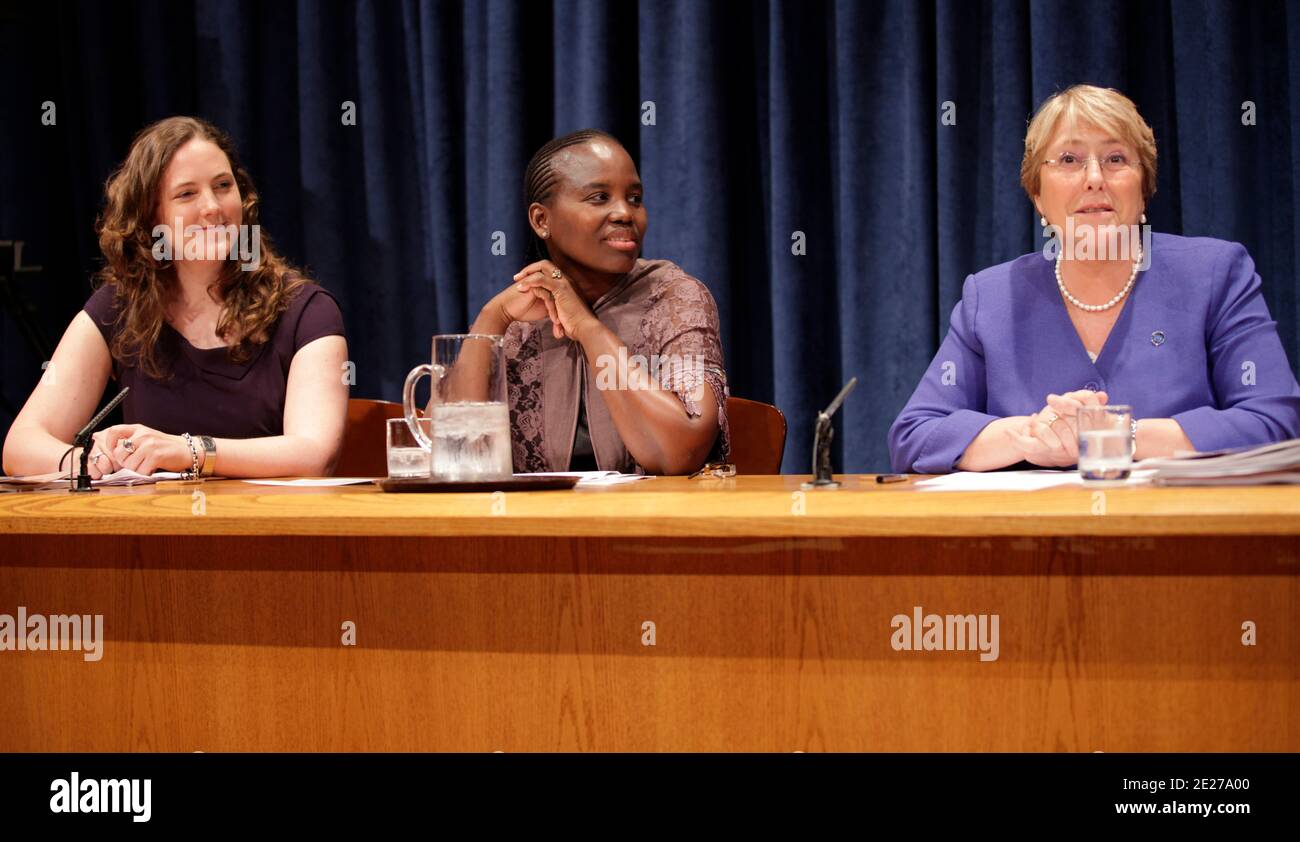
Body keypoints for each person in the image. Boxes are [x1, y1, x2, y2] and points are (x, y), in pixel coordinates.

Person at [889, 85, 1300, 473]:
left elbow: (1274, 420)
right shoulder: (991, 298)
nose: (1094, 178)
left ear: (1143, 190)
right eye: (1069, 160)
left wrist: (1117, 436)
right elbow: (915, 436)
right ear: (1037, 194)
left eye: (1116, 159)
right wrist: (1031, 434)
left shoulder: (1214, 274)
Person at [2, 116, 348, 479]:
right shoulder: (119, 307)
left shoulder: (306, 311)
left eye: (223, 185)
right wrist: (87, 461)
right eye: (187, 194)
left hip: (264, 527)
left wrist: (191, 450)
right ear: (152, 218)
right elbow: (22, 444)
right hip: (156, 531)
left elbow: (314, 452)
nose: (213, 206)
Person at [466, 129, 730, 475]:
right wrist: (490, 319)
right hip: (534, 524)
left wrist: (588, 328)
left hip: (654, 522)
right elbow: (449, 455)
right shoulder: (516, 318)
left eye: (635, 198)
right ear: (541, 220)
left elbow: (681, 452)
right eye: (599, 197)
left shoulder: (674, 298)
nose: (625, 213)